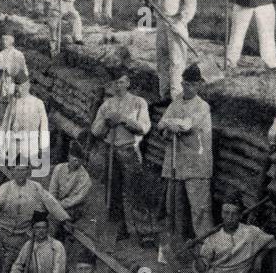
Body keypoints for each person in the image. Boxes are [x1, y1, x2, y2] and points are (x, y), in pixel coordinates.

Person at [91, 70, 152, 245]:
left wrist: (124, 120)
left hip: (129, 151)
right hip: (110, 151)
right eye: (115, 83)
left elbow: (144, 128)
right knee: (112, 192)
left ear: (128, 83)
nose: (118, 86)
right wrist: (106, 121)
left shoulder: (138, 103)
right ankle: (119, 230)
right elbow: (95, 131)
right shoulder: (106, 104)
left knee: (135, 192)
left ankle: (145, 232)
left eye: (121, 82)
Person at [158, 64, 214, 245]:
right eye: (183, 83)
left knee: (200, 210)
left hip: (196, 164)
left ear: (198, 86)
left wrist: (172, 124)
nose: (185, 87)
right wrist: (169, 125)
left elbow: (188, 125)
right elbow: (161, 124)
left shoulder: (202, 106)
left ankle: (207, 248)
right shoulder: (176, 102)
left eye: (190, 84)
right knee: (174, 206)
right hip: (176, 163)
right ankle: (177, 244)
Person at [151, 0, 198, 102]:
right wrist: (148, 2)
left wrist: (182, 20)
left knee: (177, 62)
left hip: (176, 24)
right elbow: (156, 4)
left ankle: (176, 98)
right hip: (162, 24)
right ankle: (164, 96)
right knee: (162, 60)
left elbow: (190, 2)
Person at [0, 71, 50, 170]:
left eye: (23, 86)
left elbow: (44, 128)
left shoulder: (38, 104)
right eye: (18, 86)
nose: (20, 89)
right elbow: (5, 125)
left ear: (29, 85)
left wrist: (43, 149)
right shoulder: (13, 104)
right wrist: (2, 147)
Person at [47, 143, 93, 231]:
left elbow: (76, 199)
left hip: (75, 207)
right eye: (73, 158)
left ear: (82, 161)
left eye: (79, 160)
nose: (75, 162)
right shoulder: (59, 168)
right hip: (57, 203)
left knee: (56, 219)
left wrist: (58, 206)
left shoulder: (85, 178)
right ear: (69, 156)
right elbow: (53, 190)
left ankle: (57, 238)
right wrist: (52, 203)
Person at [0, 34, 28, 116]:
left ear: (12, 40)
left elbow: (25, 74)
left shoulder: (19, 55)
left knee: (14, 114)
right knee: (1, 113)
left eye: (6, 39)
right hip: (2, 88)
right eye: (3, 39)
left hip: (15, 87)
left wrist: (18, 83)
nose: (4, 41)